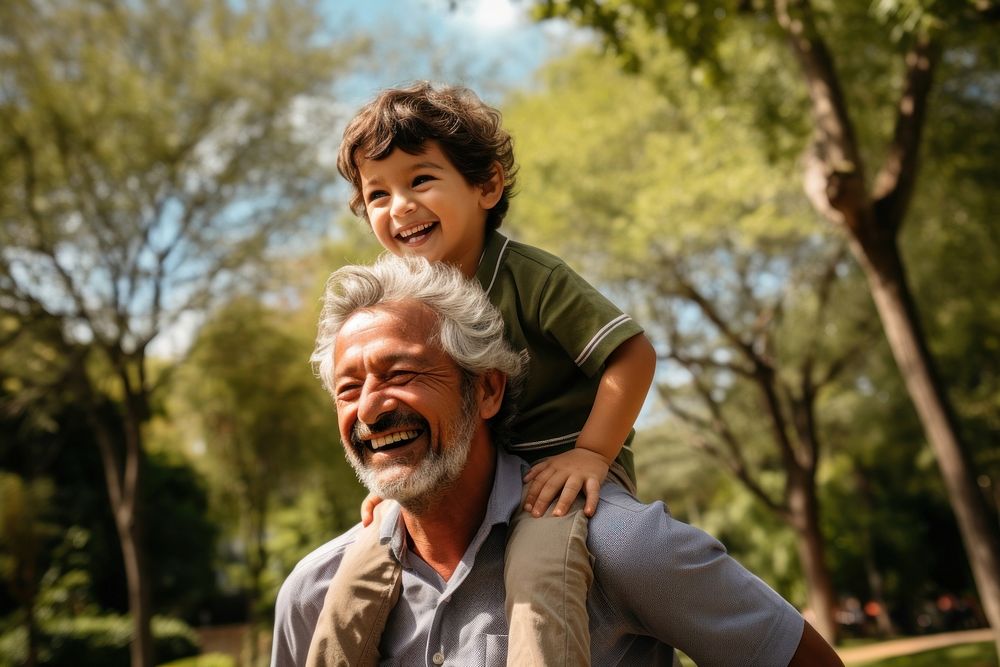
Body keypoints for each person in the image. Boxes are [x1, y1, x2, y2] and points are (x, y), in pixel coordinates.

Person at [270, 255, 844, 666]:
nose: (370, 408)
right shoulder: (315, 594)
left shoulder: (622, 549)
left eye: (402, 374)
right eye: (348, 389)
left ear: (488, 390)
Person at [308, 81, 657, 666]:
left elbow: (632, 353)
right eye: (378, 195)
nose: (399, 207)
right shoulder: (401, 305)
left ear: (487, 186)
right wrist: (393, 485)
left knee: (541, 573)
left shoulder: (530, 277)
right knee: (350, 585)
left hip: (558, 475)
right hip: (472, 481)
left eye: (420, 180)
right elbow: (394, 406)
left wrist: (593, 455)